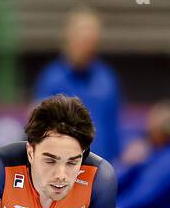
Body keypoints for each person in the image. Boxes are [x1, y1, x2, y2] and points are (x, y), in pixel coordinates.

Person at [33, 10, 122, 162]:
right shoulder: (52, 79)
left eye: (90, 41)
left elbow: (114, 127)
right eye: (82, 39)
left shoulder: (107, 79)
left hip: (101, 166)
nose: (86, 46)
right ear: (69, 39)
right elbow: (40, 129)